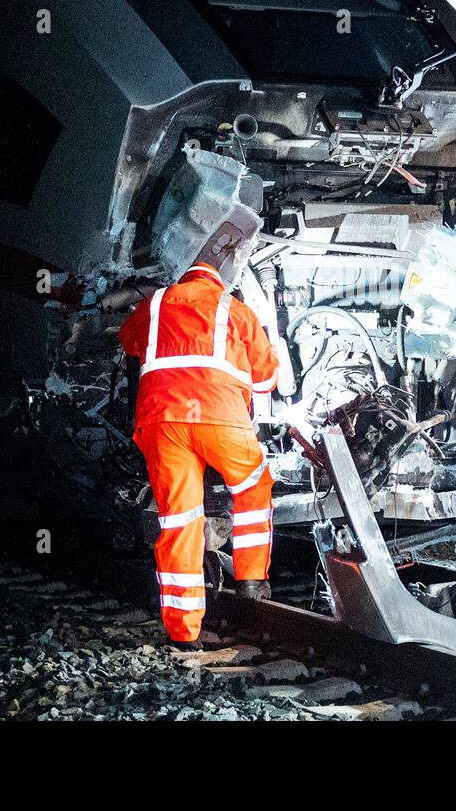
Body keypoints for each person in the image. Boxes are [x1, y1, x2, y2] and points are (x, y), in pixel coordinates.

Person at [119, 255, 279, 650]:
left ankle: (183, 634)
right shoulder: (235, 309)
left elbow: (128, 341)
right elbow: (268, 379)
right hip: (220, 420)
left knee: (179, 520)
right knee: (254, 488)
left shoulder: (155, 303)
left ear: (184, 275)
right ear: (221, 281)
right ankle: (251, 580)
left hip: (164, 423)